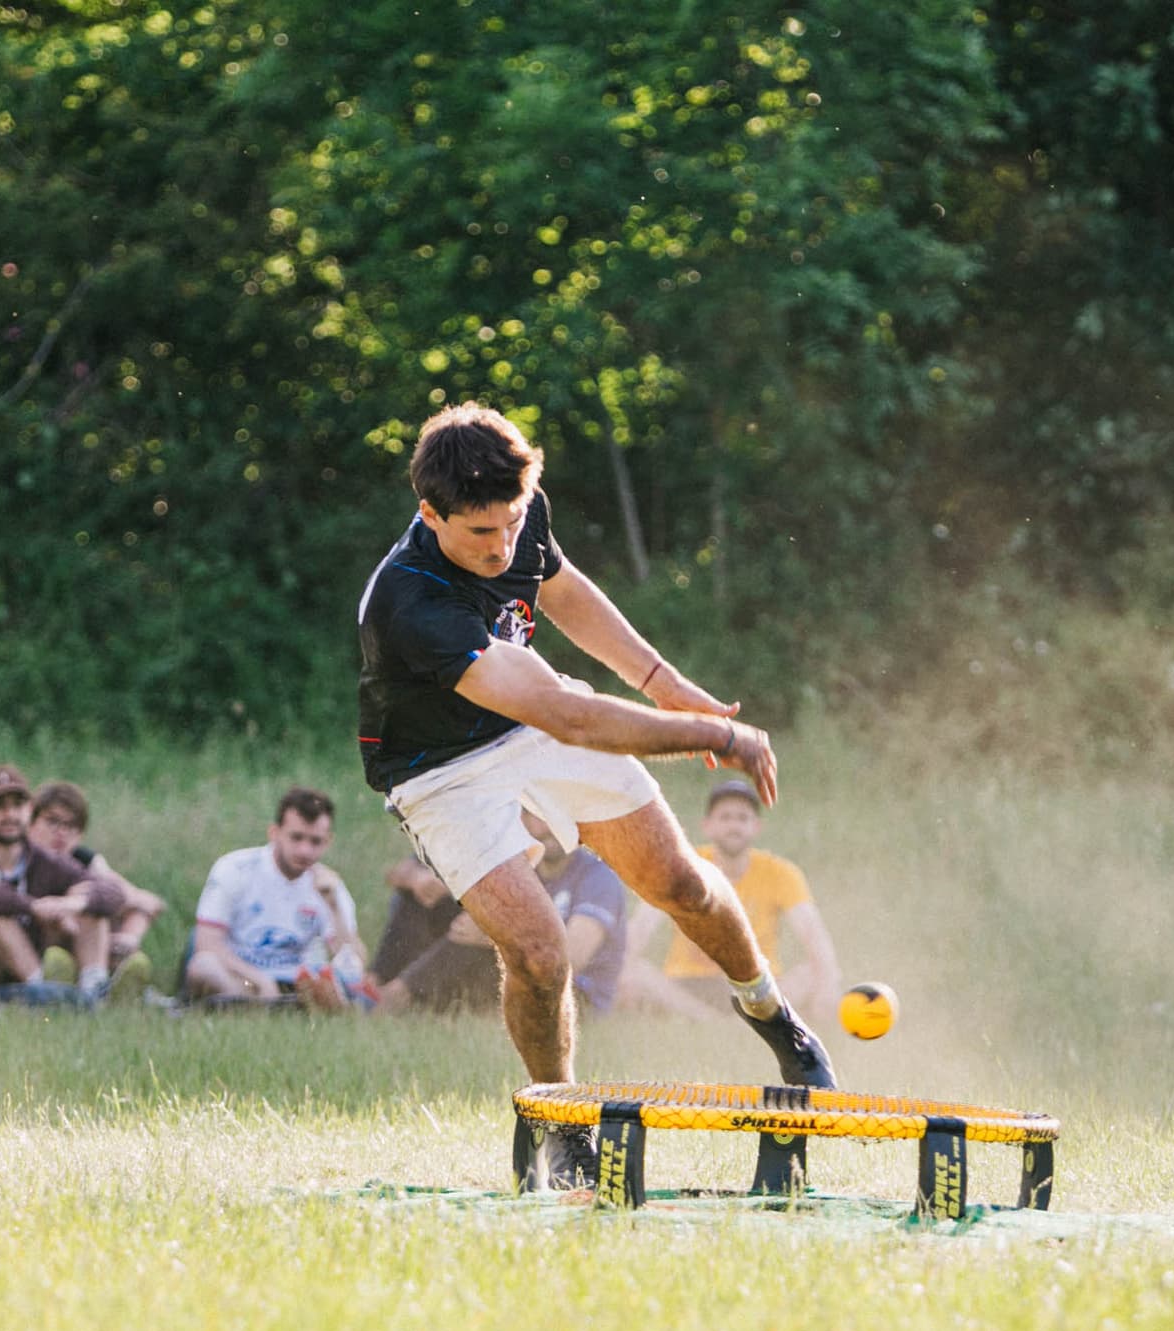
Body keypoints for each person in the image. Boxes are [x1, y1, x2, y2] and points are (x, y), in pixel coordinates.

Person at [356, 401, 835, 1189]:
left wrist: (662, 681)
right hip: (442, 768)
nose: (501, 546)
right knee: (539, 952)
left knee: (679, 882)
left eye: (512, 523)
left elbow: (563, 588)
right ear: (430, 514)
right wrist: (714, 736)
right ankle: (563, 1124)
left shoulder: (518, 509)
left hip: (531, 716)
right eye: (480, 532)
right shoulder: (410, 602)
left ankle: (770, 1012)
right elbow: (570, 717)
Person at [619, 779, 842, 1025]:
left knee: (813, 974)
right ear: (707, 826)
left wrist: (828, 983)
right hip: (689, 983)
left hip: (759, 984)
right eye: (725, 817)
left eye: (742, 818)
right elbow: (641, 927)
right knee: (634, 970)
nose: (734, 826)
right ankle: (717, 1023)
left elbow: (812, 932)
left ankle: (727, 1021)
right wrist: (624, 970)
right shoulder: (682, 868)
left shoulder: (780, 873)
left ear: (756, 827)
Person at [0, 764, 147, 1004]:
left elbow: (111, 891)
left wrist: (73, 904)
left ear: (29, 809)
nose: (10, 815)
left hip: (29, 957)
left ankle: (94, 990)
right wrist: (32, 906)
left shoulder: (45, 860)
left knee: (88, 899)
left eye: (18, 805)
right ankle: (45, 988)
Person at [373, 812, 629, 1015]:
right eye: (535, 815)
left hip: (572, 997)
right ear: (521, 821)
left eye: (554, 816)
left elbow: (570, 959)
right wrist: (428, 882)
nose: (545, 827)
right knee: (427, 899)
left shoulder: (597, 878)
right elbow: (396, 873)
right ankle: (375, 982)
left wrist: (496, 935)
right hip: (520, 979)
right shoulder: (520, 864)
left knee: (482, 932)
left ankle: (392, 999)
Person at [183, 788, 363, 1011]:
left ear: (328, 842)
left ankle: (273, 1008)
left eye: (315, 841)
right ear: (274, 833)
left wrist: (334, 906)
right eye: (296, 838)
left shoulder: (328, 885)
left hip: (297, 982)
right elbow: (207, 944)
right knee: (203, 966)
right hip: (244, 976)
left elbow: (354, 963)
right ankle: (259, 1006)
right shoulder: (235, 868)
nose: (305, 850)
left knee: (344, 987)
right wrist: (260, 980)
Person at [26, 779, 165, 977]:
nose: (62, 833)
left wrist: (129, 936)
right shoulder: (17, 857)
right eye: (52, 822)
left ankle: (107, 979)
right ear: (30, 822)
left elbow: (149, 902)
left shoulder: (86, 861)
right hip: (32, 945)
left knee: (94, 901)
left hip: (83, 943)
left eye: (71, 826)